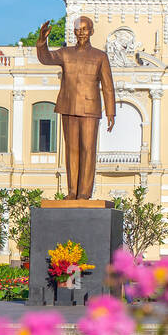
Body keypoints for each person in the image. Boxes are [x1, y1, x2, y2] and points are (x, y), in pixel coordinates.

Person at [36, 16, 115, 199]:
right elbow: (46, 58)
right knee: (71, 149)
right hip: (69, 106)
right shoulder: (66, 53)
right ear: (74, 31)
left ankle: (84, 194)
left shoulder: (100, 56)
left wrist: (110, 111)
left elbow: (108, 86)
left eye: (85, 29)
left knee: (88, 149)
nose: (82, 33)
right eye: (78, 29)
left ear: (92, 32)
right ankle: (72, 192)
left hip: (90, 108)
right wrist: (42, 41)